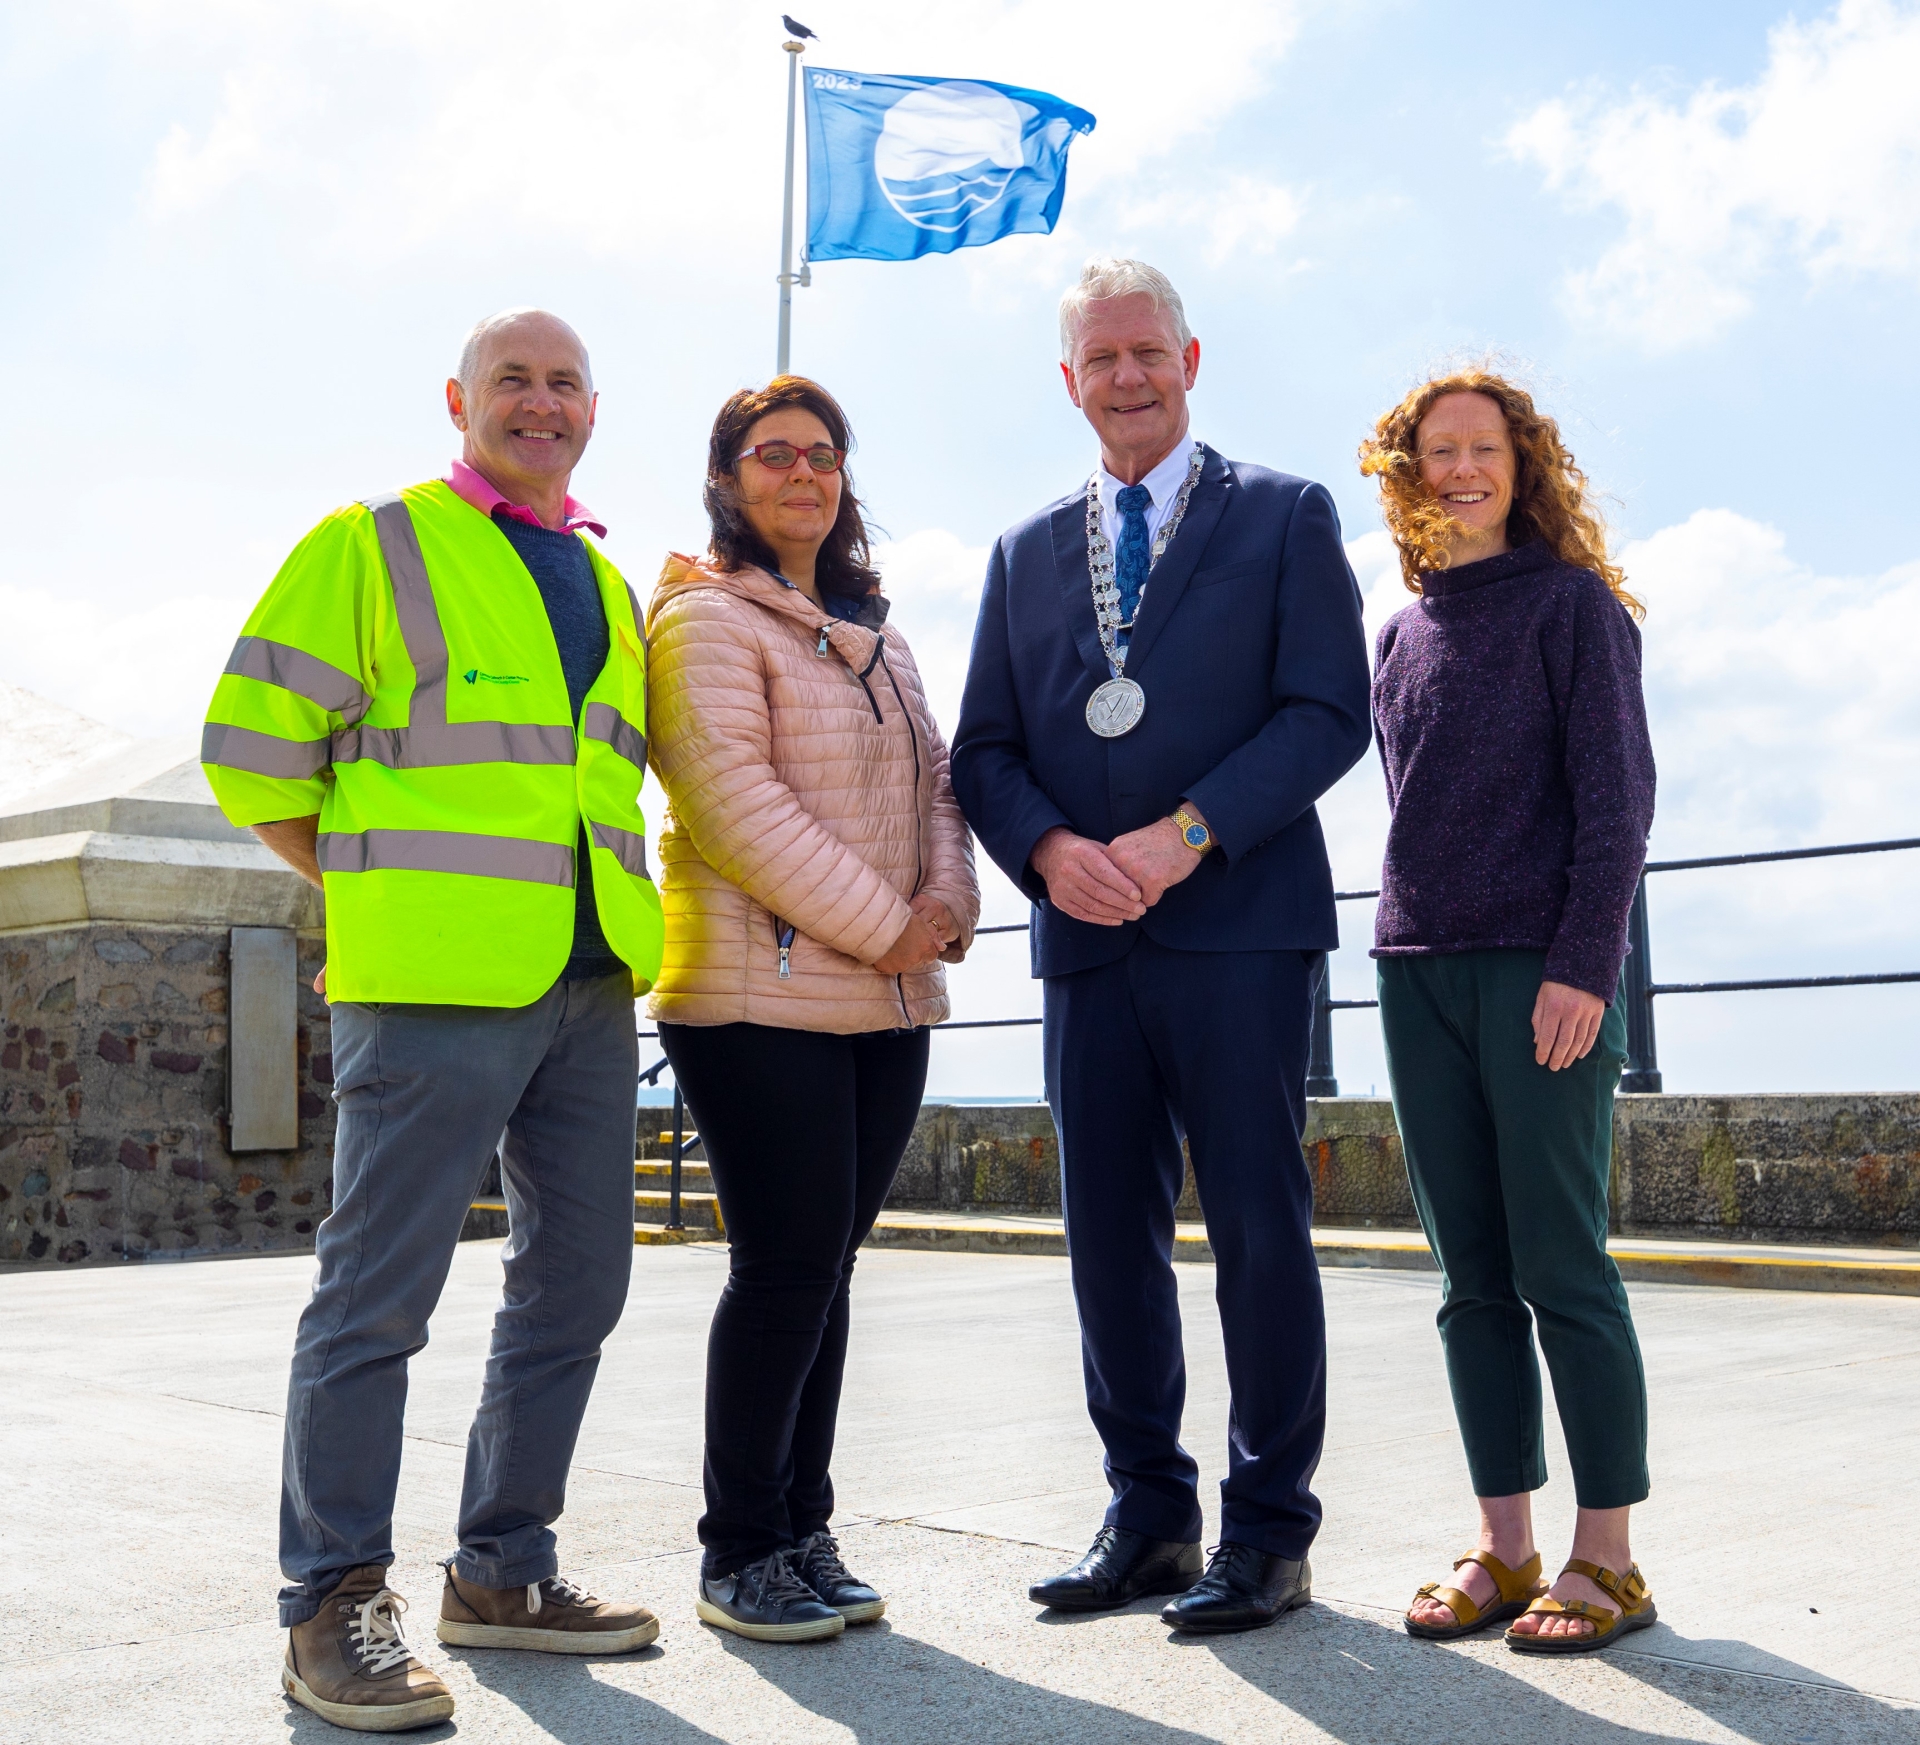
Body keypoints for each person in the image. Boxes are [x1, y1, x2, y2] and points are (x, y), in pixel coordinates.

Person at [202, 309, 666, 1731]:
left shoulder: (603, 574)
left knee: (578, 1284)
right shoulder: (375, 541)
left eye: (564, 382)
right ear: (457, 401)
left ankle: (504, 1572)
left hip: (587, 985)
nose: (540, 402)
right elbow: (251, 756)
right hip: (428, 986)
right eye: (511, 381)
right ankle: (328, 1604)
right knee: (376, 1299)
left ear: (594, 407)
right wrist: (377, 885)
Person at [951, 258, 1371, 1634]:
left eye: (1148, 352)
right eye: (1100, 359)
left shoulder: (1288, 515)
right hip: (1085, 939)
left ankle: (1267, 1531)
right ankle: (1146, 1513)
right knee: (1103, 1241)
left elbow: (1326, 715)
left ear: (1192, 361)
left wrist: (1186, 836)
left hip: (1238, 927)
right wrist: (1056, 855)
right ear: (1068, 381)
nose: (1126, 377)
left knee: (1259, 1225)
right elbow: (988, 750)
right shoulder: (1022, 552)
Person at [645, 375, 980, 1643]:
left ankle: (802, 1522)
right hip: (754, 995)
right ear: (727, 478)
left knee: (828, 1271)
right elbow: (734, 804)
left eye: (824, 455)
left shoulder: (879, 632)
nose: (803, 474)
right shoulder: (701, 620)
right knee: (783, 1267)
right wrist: (886, 923)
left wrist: (944, 902)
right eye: (773, 454)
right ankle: (740, 1549)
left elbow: (940, 783)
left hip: (886, 993)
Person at [1359, 368, 1658, 1655]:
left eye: (1488, 449)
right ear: (1411, 473)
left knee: (1563, 1266)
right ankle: (1506, 1540)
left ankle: (1609, 1559)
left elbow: (1619, 803)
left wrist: (1584, 966)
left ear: (1524, 467)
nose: (1464, 469)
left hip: (1542, 973)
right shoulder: (1404, 632)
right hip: (1414, 966)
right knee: (1470, 1279)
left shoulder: (1575, 609)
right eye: (1442, 452)